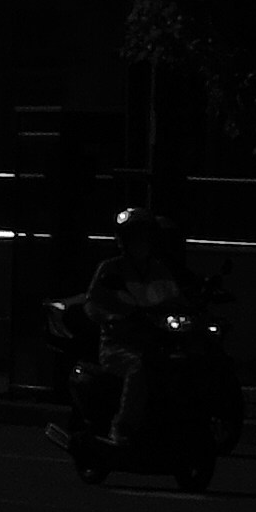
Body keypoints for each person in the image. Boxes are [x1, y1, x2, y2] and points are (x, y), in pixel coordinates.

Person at [93, 189, 190, 472]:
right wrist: (111, 317)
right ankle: (121, 428)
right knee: (138, 368)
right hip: (118, 346)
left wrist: (193, 311)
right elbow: (92, 304)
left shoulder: (158, 269)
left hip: (156, 342)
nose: (139, 244)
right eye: (133, 238)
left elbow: (175, 298)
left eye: (143, 238)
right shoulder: (110, 269)